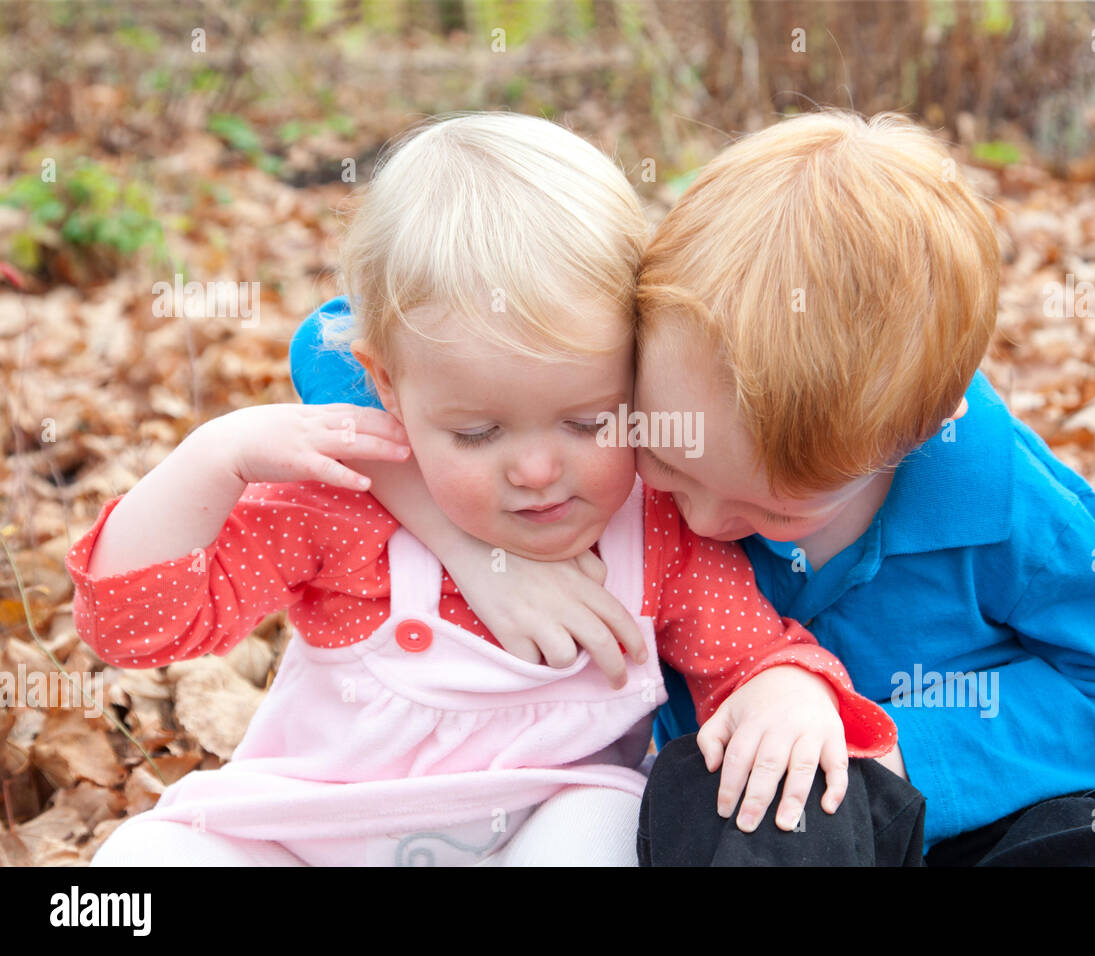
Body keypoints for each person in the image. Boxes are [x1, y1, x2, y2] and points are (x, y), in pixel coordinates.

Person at [299, 109, 1095, 867]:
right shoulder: (632, 385)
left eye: (773, 508)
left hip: (992, 817)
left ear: (909, 437)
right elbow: (337, 344)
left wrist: (896, 751)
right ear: (640, 339)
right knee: (744, 812)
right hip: (765, 810)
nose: (703, 520)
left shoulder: (993, 491)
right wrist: (479, 551)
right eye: (674, 467)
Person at [68, 112, 904, 868]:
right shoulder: (343, 499)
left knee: (604, 826)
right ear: (387, 387)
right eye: (476, 433)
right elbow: (133, 628)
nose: (536, 470)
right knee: (146, 858)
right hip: (303, 833)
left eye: (588, 421)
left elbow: (750, 654)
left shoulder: (654, 533)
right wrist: (210, 458)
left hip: (542, 825)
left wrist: (787, 687)